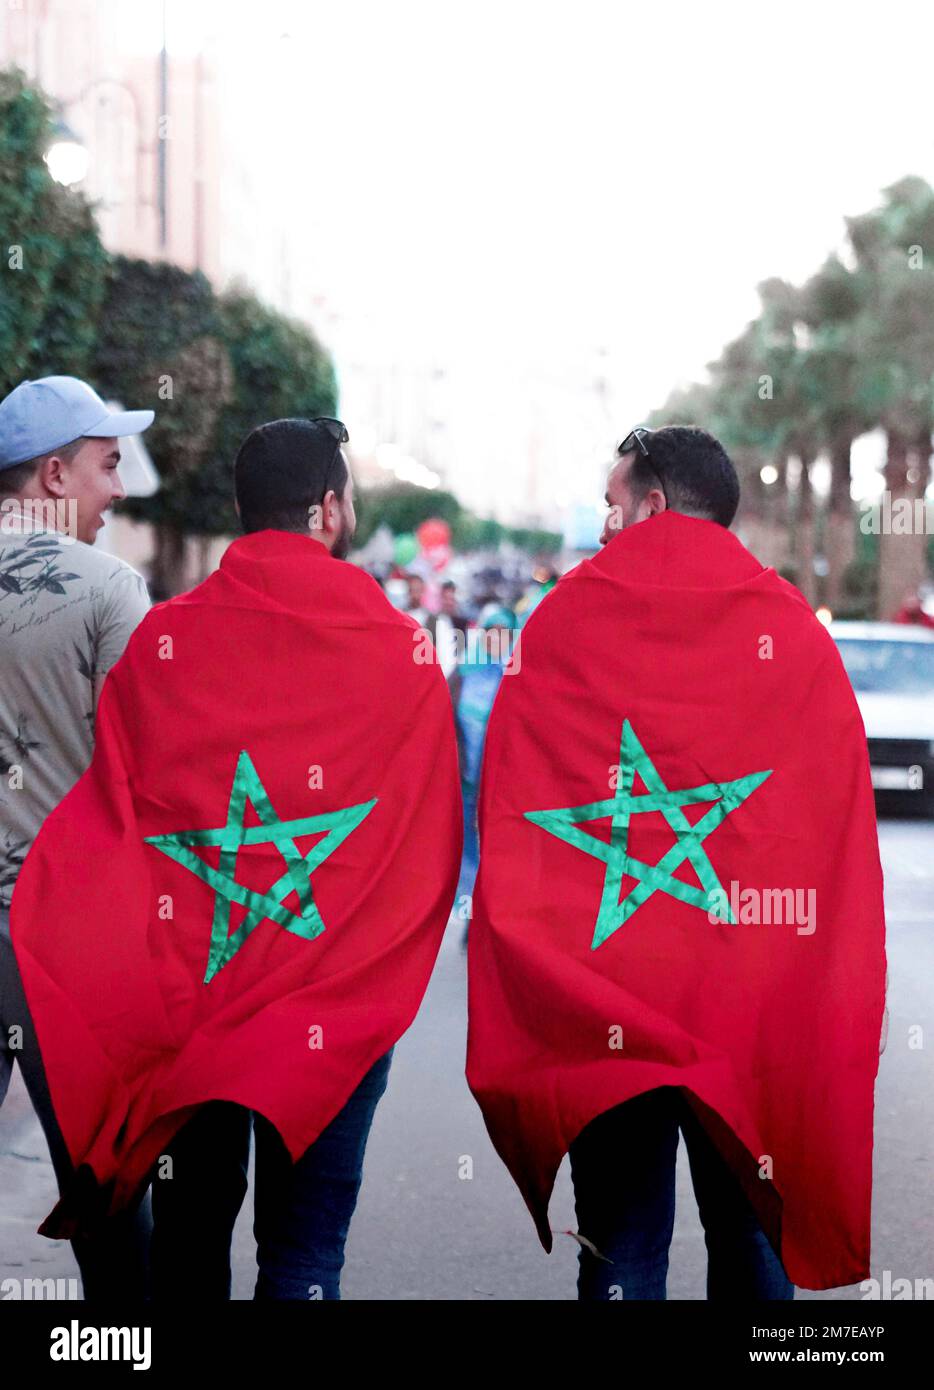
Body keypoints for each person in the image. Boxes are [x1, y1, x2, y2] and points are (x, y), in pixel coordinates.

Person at [11, 416, 462, 1301]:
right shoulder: (399, 647)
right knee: (304, 1253)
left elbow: (117, 824)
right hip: (336, 1008)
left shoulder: (163, 644)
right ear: (328, 509)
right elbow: (429, 832)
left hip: (191, 1012)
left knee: (188, 1243)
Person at [467, 425, 887, 1300]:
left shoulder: (561, 623)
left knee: (622, 1248)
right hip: (751, 1013)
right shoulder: (795, 636)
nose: (606, 525)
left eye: (614, 506)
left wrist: (529, 955)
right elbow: (833, 838)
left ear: (654, 504)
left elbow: (515, 810)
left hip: (601, 1007)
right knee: (750, 1238)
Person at [0, 375, 154, 1299]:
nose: (121, 489)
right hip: (65, 945)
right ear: (54, 474)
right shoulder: (107, 589)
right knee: (106, 1187)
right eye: (106, 466)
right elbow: (149, 771)